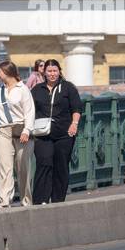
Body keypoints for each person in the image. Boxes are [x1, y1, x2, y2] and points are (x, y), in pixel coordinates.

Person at [32, 59, 82, 204]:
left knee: (61, 165)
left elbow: (77, 108)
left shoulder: (68, 88)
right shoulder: (37, 89)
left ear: (59, 71)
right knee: (44, 162)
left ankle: (58, 199)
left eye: (55, 71)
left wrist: (74, 124)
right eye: (49, 71)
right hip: (42, 134)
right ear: (44, 72)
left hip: (64, 134)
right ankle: (40, 199)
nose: (52, 74)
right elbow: (30, 109)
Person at [0, 60, 35, 208]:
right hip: (3, 131)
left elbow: (29, 112)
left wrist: (27, 130)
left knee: (23, 168)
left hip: (21, 131)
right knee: (5, 168)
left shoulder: (23, 89)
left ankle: (26, 200)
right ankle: (4, 201)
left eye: (0, 71)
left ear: (7, 73)